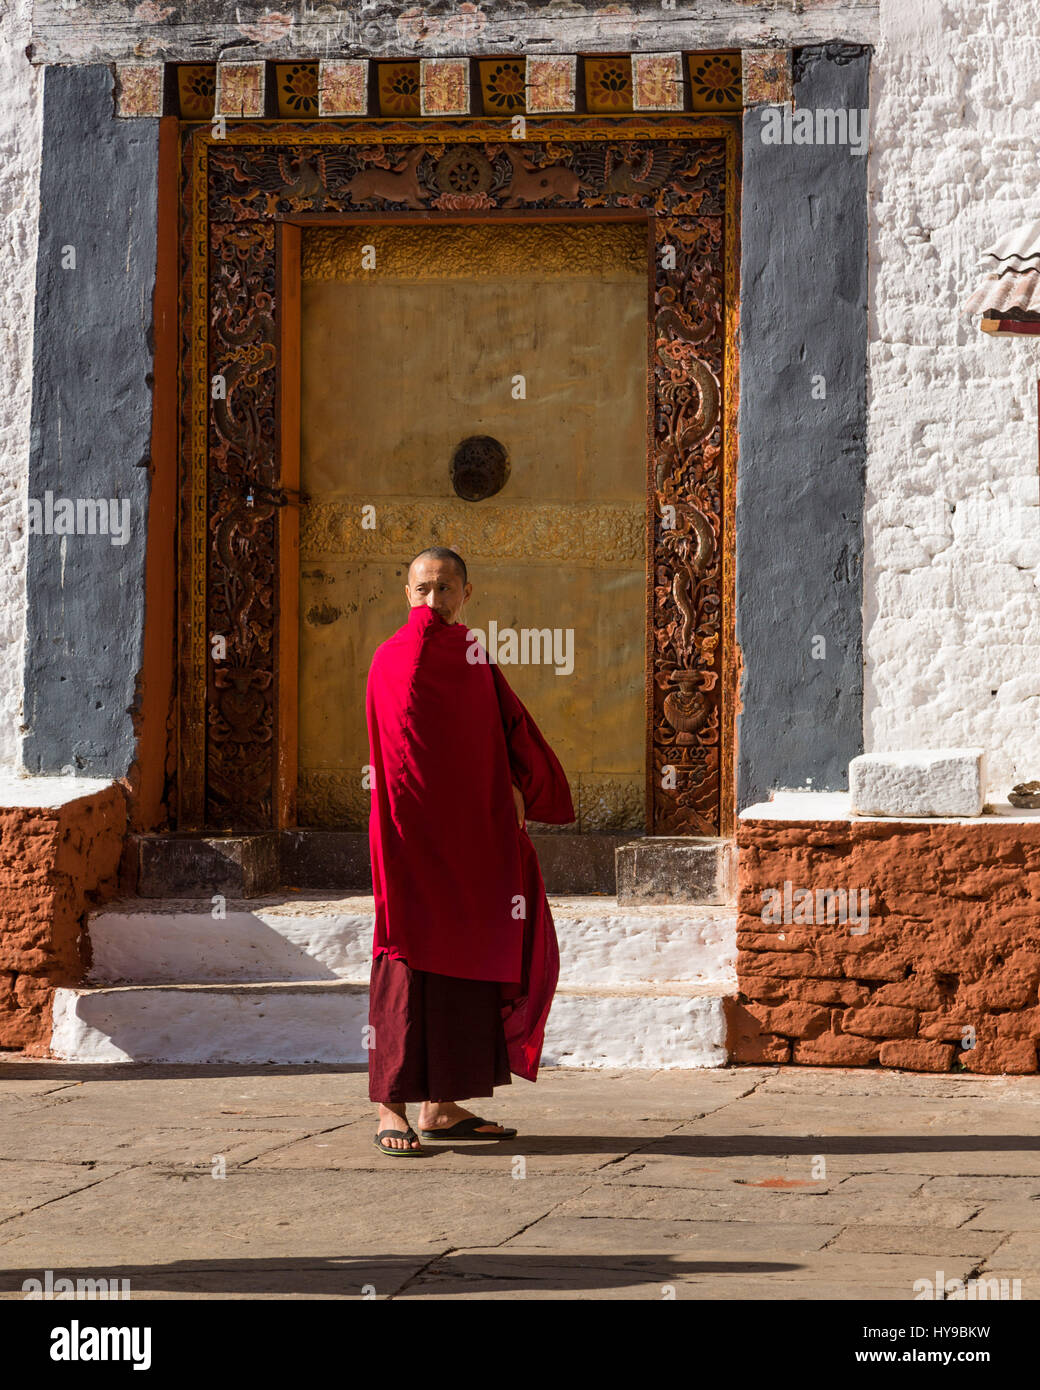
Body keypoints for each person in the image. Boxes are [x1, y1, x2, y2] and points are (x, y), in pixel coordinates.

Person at [365, 547, 575, 1155]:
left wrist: (519, 787)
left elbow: (509, 728)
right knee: (406, 951)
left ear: (467, 593)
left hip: (474, 836)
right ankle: (390, 1106)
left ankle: (443, 1107)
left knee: (471, 951)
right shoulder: (389, 658)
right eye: (423, 588)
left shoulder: (476, 659)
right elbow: (396, 755)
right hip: (411, 840)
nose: (434, 601)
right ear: (408, 593)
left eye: (446, 589)